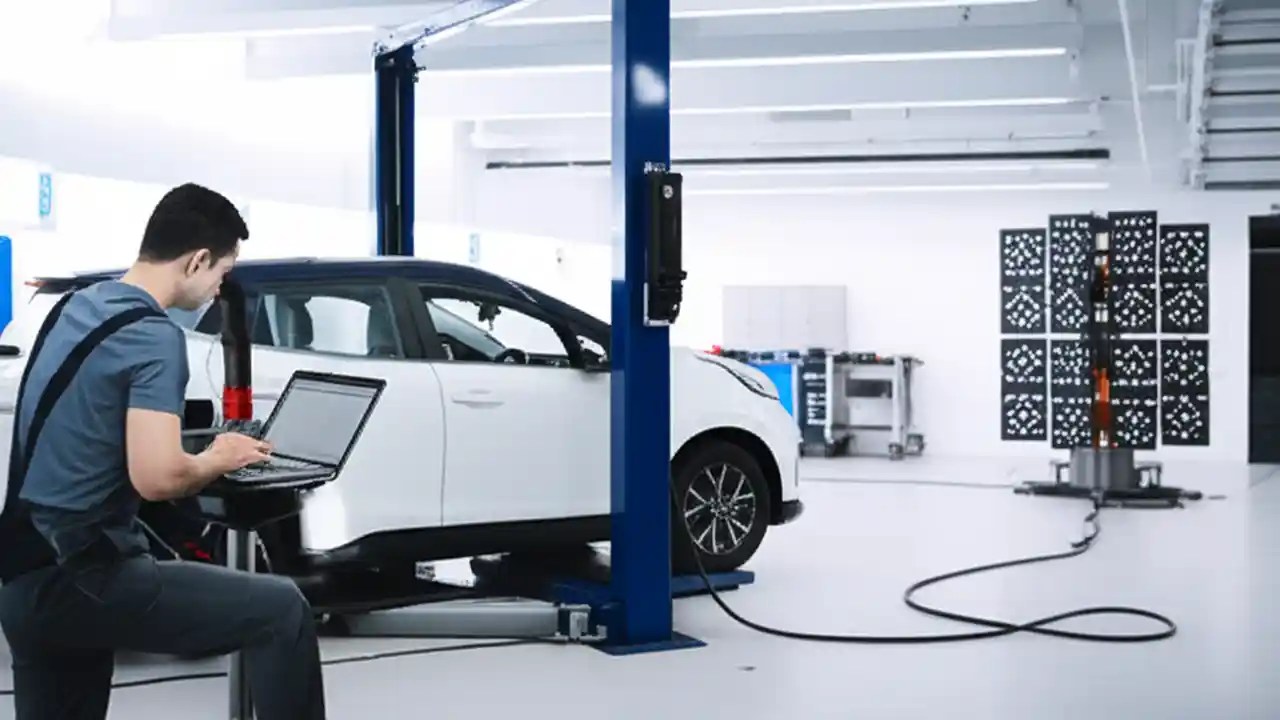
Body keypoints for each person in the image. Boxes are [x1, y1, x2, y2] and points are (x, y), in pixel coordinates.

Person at [0, 183, 327, 719]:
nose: (220, 290)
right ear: (197, 260)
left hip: (23, 573)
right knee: (281, 611)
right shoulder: (154, 336)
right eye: (222, 272)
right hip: (91, 578)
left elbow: (85, 427)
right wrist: (217, 458)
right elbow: (157, 478)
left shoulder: (73, 307)